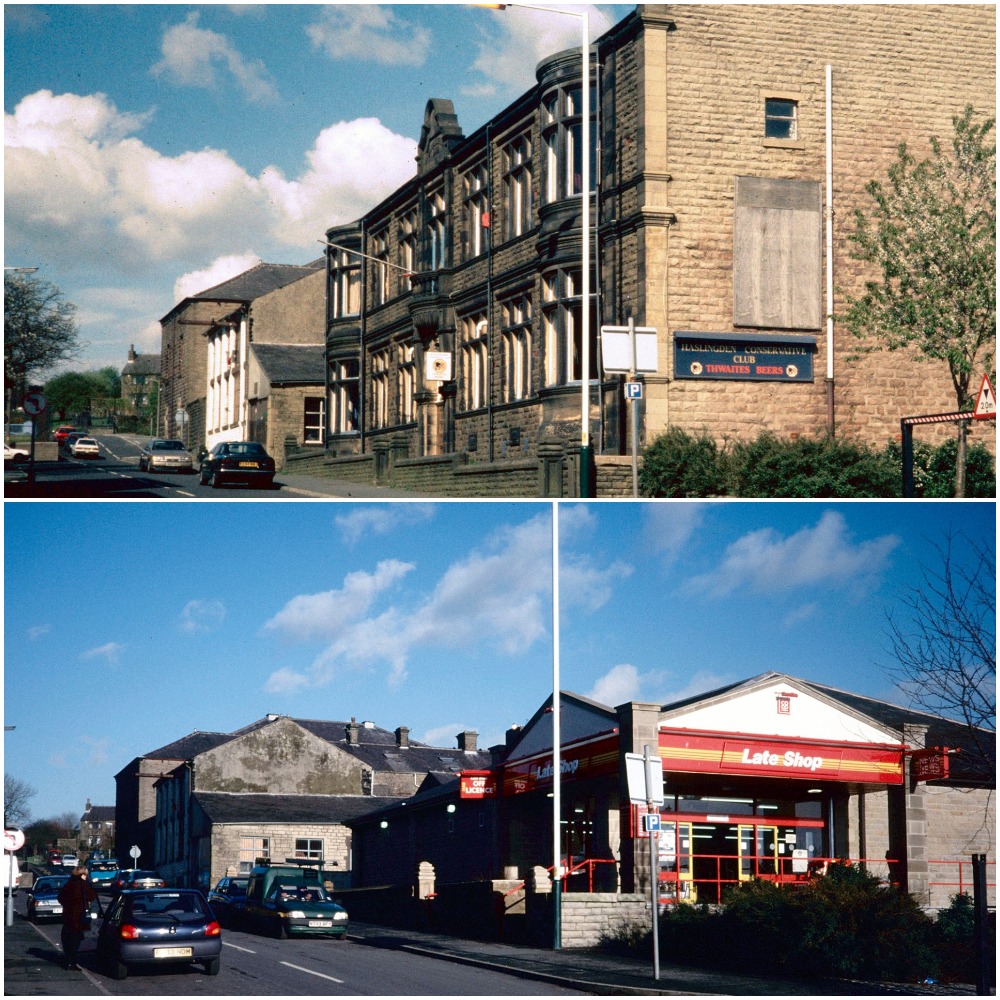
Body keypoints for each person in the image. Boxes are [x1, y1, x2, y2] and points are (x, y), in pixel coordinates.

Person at [57, 866, 101, 970]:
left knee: (68, 939)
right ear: (82, 875)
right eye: (86, 874)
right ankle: (71, 963)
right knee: (76, 940)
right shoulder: (83, 884)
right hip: (79, 916)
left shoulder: (69, 884)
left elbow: (60, 897)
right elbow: (92, 896)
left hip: (68, 915)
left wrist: (67, 905)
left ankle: (68, 960)